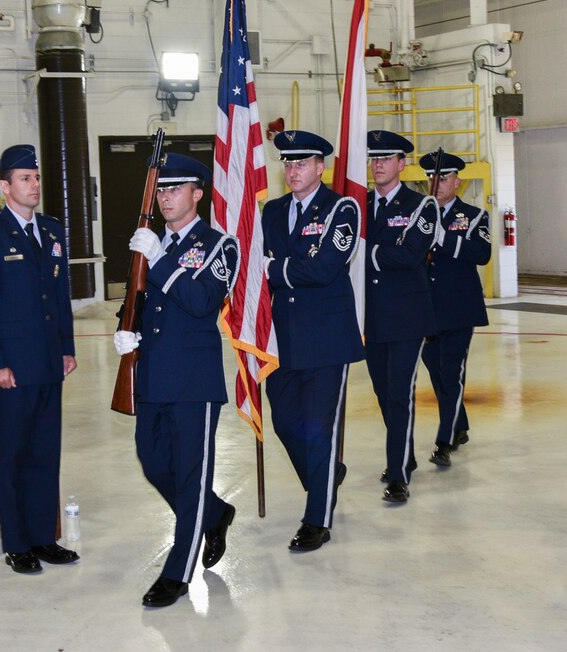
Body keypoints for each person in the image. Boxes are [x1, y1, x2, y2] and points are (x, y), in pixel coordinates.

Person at [113, 154, 239, 608]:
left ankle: (178, 574)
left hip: (193, 382)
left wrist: (159, 258)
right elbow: (137, 301)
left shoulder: (219, 245)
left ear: (197, 194)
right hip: (152, 377)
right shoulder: (150, 243)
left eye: (176, 188)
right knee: (153, 463)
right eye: (161, 190)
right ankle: (215, 511)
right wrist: (128, 332)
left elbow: (201, 300)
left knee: (189, 475)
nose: (166, 197)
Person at [0, 144, 78, 574]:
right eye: (25, 178)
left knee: (46, 452)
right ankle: (17, 542)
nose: (34, 185)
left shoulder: (51, 231)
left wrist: (67, 347)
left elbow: (59, 295)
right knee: (12, 454)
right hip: (11, 366)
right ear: (6, 187)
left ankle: (44, 537)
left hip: (48, 361)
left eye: (37, 177)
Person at [261, 129, 364, 551]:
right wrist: (291, 265)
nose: (292, 170)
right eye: (287, 162)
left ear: (321, 167)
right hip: (280, 338)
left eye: (301, 163)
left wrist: (276, 268)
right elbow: (270, 264)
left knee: (319, 430)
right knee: (285, 423)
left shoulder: (342, 208)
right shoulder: (272, 210)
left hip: (325, 339)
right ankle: (326, 476)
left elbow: (325, 269)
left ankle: (317, 520)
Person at [363, 131, 438, 504]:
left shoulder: (421, 206)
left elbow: (410, 255)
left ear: (401, 163)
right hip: (372, 317)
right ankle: (403, 455)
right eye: (374, 158)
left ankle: (398, 474)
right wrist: (381, 250)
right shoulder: (357, 204)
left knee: (399, 393)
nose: (378, 164)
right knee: (382, 392)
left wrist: (367, 251)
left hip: (407, 317)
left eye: (386, 158)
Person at [418, 150, 490, 468]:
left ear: (457, 181)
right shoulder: (418, 214)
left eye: (443, 177)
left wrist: (443, 238)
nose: (436, 183)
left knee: (451, 371)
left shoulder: (473, 216)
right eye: (431, 177)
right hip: (427, 310)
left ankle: (445, 440)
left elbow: (482, 252)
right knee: (435, 368)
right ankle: (459, 425)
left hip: (459, 309)